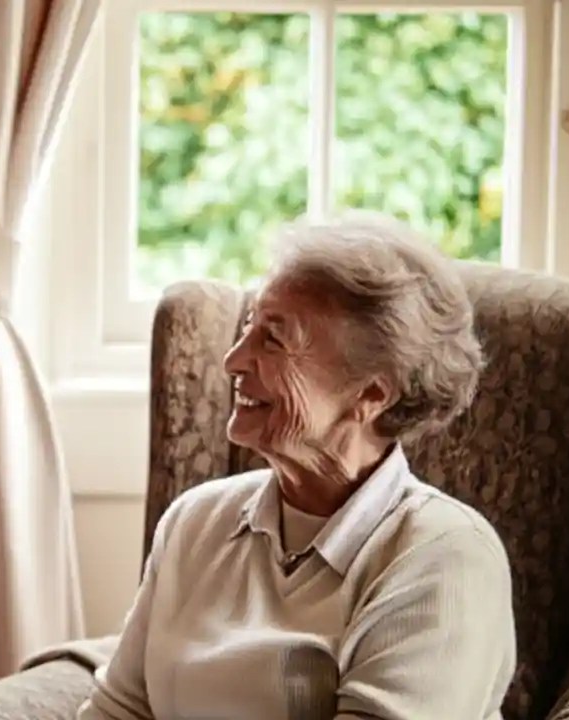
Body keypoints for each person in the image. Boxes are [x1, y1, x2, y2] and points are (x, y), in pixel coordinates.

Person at [78, 213, 516, 719]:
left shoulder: (444, 557)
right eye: (249, 327)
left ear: (371, 393)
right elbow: (119, 709)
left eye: (274, 340)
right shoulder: (195, 521)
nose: (233, 361)